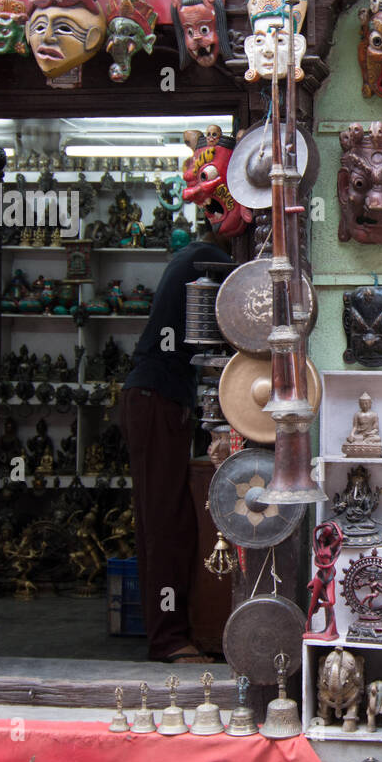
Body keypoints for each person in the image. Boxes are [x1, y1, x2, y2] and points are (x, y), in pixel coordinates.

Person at [121, 227, 231, 663]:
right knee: (165, 522)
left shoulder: (191, 257)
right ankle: (168, 640)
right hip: (156, 401)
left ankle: (169, 632)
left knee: (168, 520)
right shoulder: (208, 261)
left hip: (156, 399)